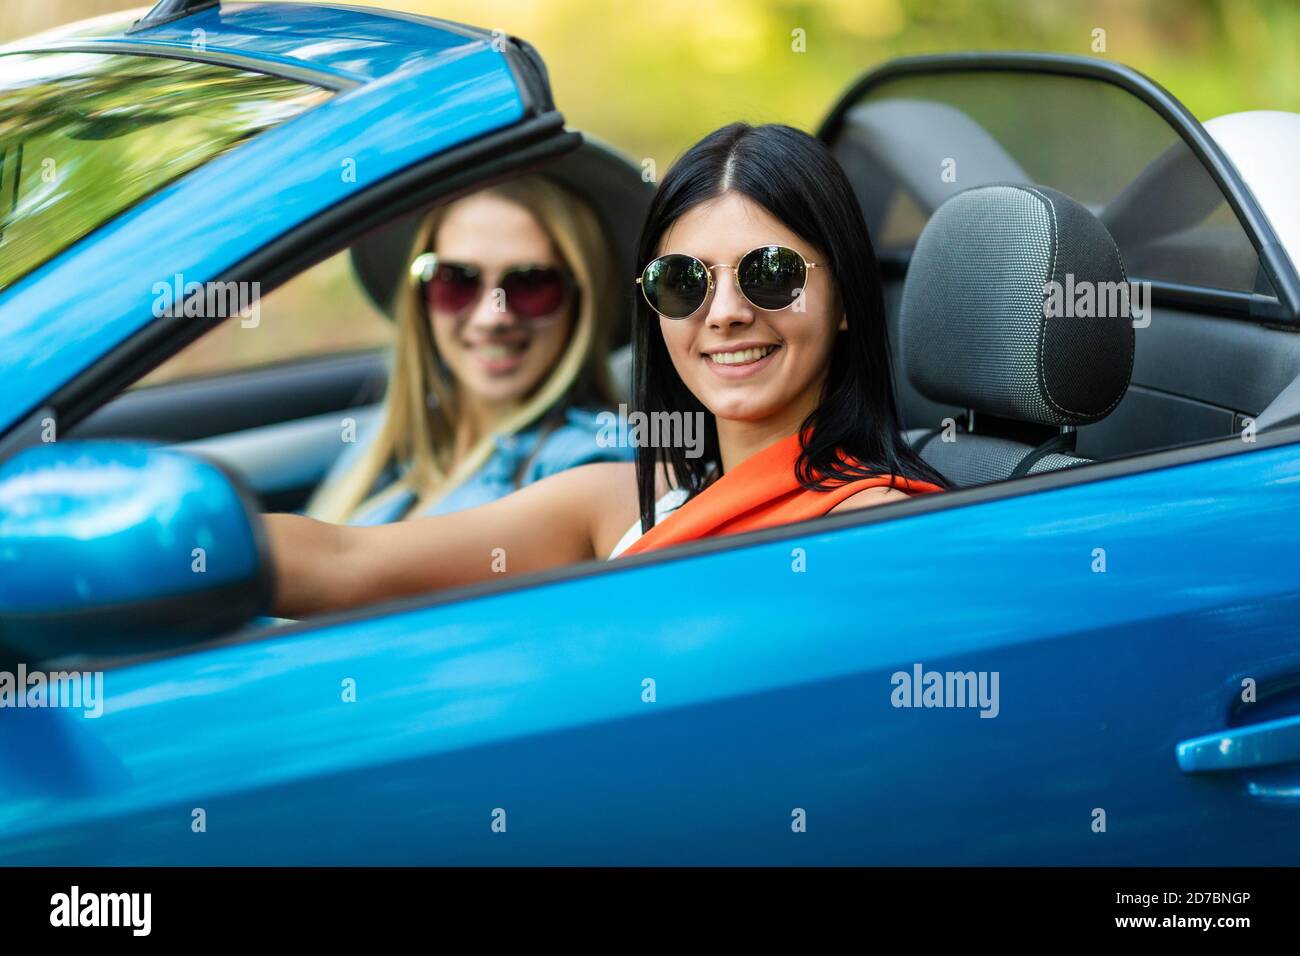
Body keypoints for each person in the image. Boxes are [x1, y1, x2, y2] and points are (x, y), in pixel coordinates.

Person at [267, 123, 947, 618]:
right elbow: (344, 563)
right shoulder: (610, 502)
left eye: (772, 274)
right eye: (684, 282)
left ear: (846, 301)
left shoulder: (879, 528)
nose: (727, 313)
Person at [307, 174, 632, 525]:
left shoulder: (588, 459)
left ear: (581, 301)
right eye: (456, 280)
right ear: (420, 296)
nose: (491, 317)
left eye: (530, 283)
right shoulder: (397, 433)